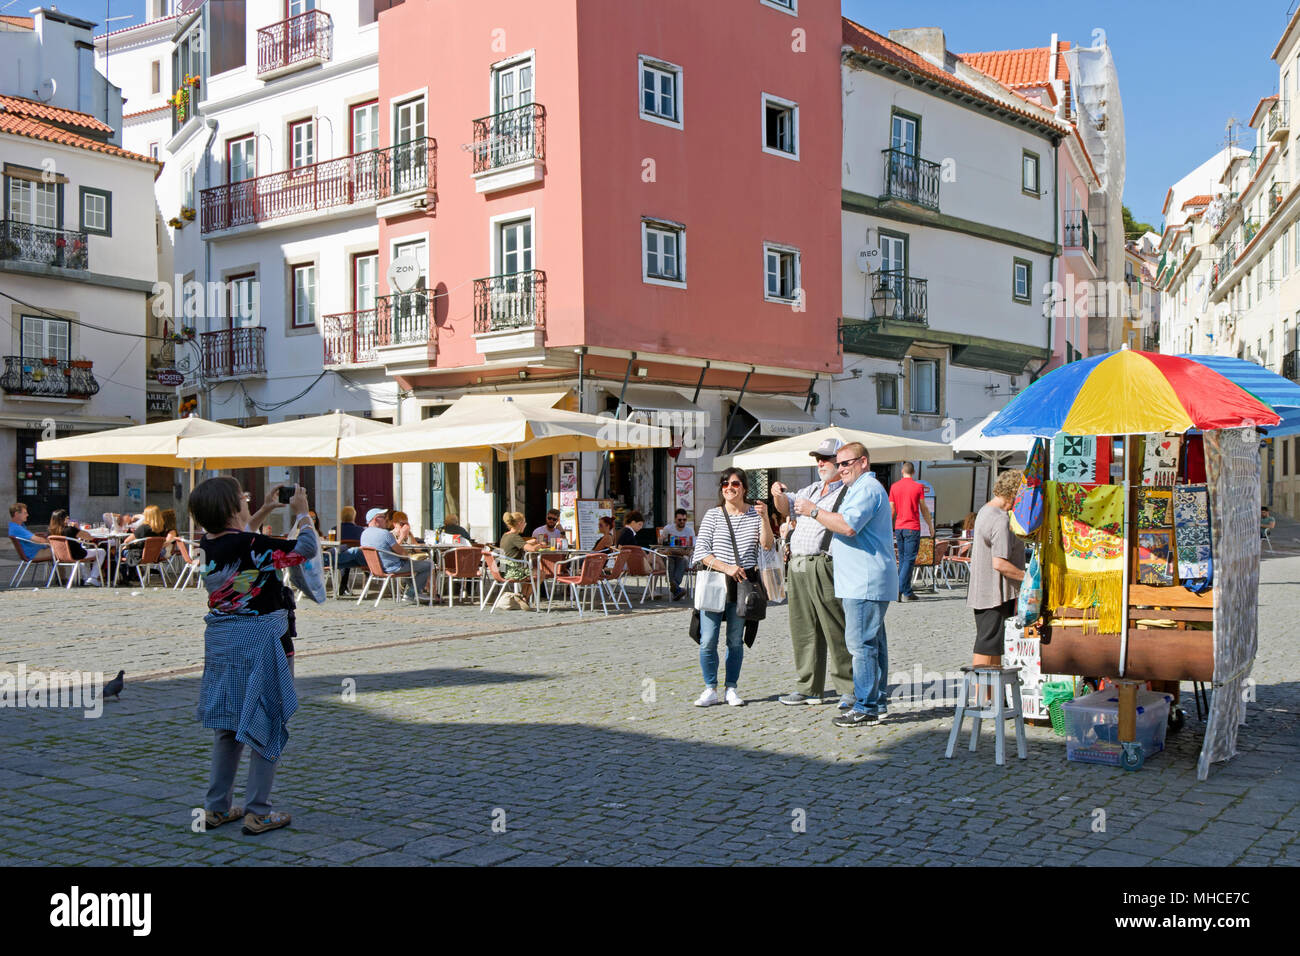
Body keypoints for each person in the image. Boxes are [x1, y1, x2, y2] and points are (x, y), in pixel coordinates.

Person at [191, 476, 314, 836]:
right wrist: (302, 514)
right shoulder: (251, 544)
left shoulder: (208, 543)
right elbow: (304, 549)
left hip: (223, 643)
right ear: (231, 508)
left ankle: (216, 808)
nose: (247, 501)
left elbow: (242, 538)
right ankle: (258, 811)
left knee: (228, 725)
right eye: (242, 499)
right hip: (263, 641)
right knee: (267, 719)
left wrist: (265, 509)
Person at [795, 442, 898, 727]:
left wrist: (814, 511)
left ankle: (866, 706)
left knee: (861, 645)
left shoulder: (866, 488)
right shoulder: (860, 488)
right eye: (838, 464)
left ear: (863, 461)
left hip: (864, 581)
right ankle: (875, 702)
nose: (841, 469)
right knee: (872, 644)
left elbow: (848, 526)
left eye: (846, 463)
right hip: (860, 579)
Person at [771, 437, 855, 708]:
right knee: (803, 628)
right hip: (797, 564)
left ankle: (848, 688)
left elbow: (846, 524)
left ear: (840, 463)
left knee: (835, 627)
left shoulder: (850, 490)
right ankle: (808, 687)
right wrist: (778, 495)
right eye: (818, 458)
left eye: (826, 458)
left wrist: (814, 511)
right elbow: (785, 507)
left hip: (825, 562)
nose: (821, 463)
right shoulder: (812, 487)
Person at [690, 468, 772, 708]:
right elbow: (701, 552)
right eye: (725, 483)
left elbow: (767, 546)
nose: (729, 487)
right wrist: (726, 567)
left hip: (742, 584)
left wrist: (765, 517)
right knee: (708, 639)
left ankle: (731, 688)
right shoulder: (713, 515)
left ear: (744, 488)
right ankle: (710, 688)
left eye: (735, 483)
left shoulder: (755, 516)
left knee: (735, 640)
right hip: (715, 581)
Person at [967, 470, 1027, 670]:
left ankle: (991, 696)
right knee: (987, 644)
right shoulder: (1000, 519)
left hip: (984, 590)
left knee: (992, 646)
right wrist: (1026, 578)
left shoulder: (986, 510)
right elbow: (999, 563)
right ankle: (982, 696)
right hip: (995, 593)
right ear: (1014, 494)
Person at [359, 507, 432, 603]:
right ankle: (410, 594)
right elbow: (401, 552)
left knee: (413, 566)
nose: (386, 520)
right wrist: (408, 557)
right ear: (376, 519)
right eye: (383, 517)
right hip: (393, 567)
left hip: (375, 568)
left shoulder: (364, 534)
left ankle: (414, 591)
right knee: (428, 564)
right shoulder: (385, 534)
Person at [888, 462, 933, 603]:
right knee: (909, 560)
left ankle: (907, 591)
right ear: (914, 472)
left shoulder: (894, 487)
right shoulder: (918, 487)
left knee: (902, 559)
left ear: (902, 471)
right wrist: (930, 525)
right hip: (912, 527)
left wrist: (889, 527)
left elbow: (892, 509)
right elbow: (924, 508)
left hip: (899, 527)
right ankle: (899, 589)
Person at [47, 509, 105, 585]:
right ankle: (93, 578)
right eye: (67, 518)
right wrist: (77, 528)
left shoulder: (50, 531)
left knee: (84, 550)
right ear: (65, 519)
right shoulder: (70, 530)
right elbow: (89, 537)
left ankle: (86, 578)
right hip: (76, 554)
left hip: (60, 556)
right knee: (101, 552)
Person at [495, 511, 541, 600]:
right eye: (524, 523)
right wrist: (540, 544)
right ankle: (524, 598)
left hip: (503, 569)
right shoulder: (515, 537)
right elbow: (532, 549)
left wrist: (527, 542)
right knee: (540, 573)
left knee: (533, 572)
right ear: (520, 523)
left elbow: (514, 544)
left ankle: (522, 597)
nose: (525, 525)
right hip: (512, 572)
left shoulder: (506, 535)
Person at [119, 505, 168, 584]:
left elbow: (127, 541)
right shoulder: (162, 528)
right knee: (130, 550)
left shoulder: (144, 528)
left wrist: (126, 546)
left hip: (140, 555)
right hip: (155, 555)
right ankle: (132, 575)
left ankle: (124, 578)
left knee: (119, 552)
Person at [657, 508, 695, 601]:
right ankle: (676, 589)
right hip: (669, 556)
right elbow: (660, 544)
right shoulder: (668, 529)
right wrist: (661, 540)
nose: (682, 522)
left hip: (683, 556)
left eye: (684, 520)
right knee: (670, 561)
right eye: (680, 520)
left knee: (682, 561)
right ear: (675, 519)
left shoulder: (689, 531)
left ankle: (674, 586)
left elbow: (691, 550)